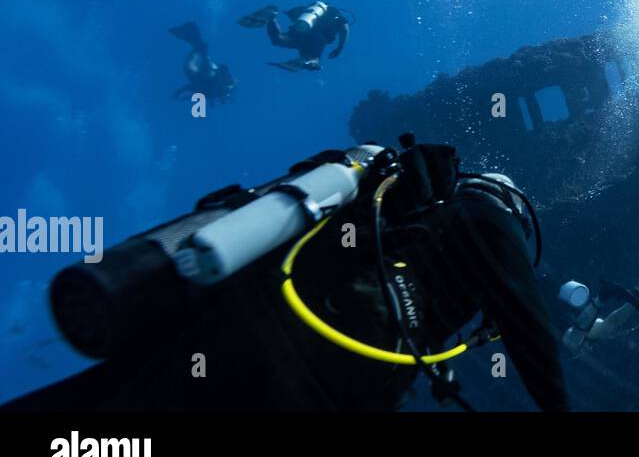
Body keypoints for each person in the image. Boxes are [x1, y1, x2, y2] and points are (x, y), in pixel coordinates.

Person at [2, 139, 568, 412]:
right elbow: (527, 323)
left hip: (235, 314)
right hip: (317, 370)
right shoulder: (487, 214)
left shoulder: (391, 206)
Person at [556, 280, 639, 353]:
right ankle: (633, 304)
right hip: (569, 310)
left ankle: (603, 298)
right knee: (602, 329)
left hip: (559, 317)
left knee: (573, 340)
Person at [238, 1, 350, 71]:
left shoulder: (308, 10)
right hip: (319, 37)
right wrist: (340, 47)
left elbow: (293, 14)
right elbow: (345, 29)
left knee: (278, 39)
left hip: (301, 31)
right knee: (313, 57)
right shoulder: (336, 16)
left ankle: (272, 17)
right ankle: (311, 62)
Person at [168, 22, 236, 104]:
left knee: (190, 67)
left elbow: (192, 88)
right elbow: (220, 69)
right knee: (207, 70)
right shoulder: (224, 82)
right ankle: (201, 48)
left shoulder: (212, 92)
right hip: (203, 75)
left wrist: (180, 92)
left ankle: (198, 47)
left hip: (197, 76)